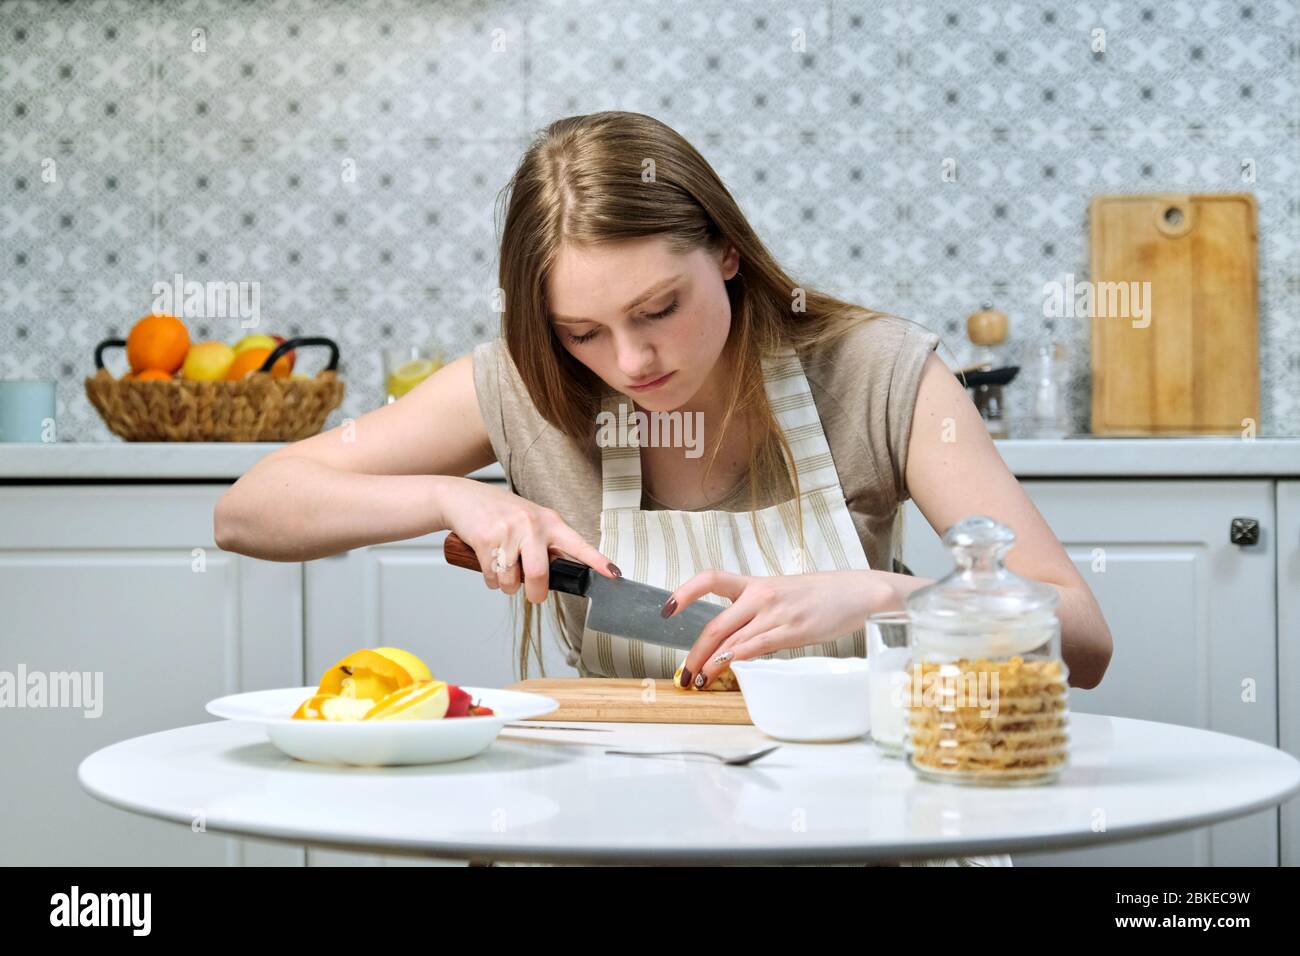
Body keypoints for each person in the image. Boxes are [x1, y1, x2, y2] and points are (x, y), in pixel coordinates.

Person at [215, 111, 1112, 867]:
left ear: (725, 251)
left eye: (657, 311)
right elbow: (249, 508)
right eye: (583, 333)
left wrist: (886, 596)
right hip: (614, 828)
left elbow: (1081, 638)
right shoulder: (524, 385)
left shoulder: (877, 371)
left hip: (863, 829)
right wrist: (455, 498)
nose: (631, 362)